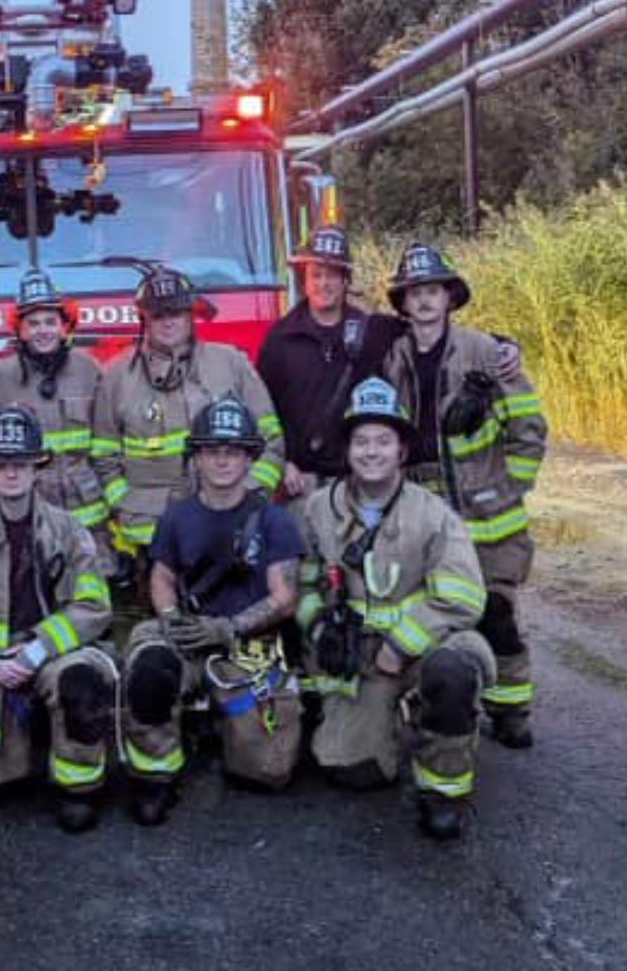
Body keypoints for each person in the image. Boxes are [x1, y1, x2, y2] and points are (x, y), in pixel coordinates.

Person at [297, 377, 493, 840]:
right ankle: (375, 719)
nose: (371, 452)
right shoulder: (317, 509)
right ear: (348, 450)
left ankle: (442, 791)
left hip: (424, 647)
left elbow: (463, 596)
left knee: (452, 673)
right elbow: (304, 583)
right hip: (358, 657)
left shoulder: (433, 513)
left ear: (402, 450)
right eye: (361, 441)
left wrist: (401, 644)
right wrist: (321, 629)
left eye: (383, 441)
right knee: (353, 770)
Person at [383, 243, 548, 748]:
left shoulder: (484, 352)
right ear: (403, 302)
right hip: (425, 505)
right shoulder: (393, 358)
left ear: (450, 297)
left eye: (433, 290)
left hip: (489, 512)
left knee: (497, 612)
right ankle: (442, 701)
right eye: (415, 292)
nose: (424, 300)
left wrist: (510, 486)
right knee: (436, 609)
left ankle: (511, 709)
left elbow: (528, 424)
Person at [0, 405, 119, 832]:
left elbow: (93, 604)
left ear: (37, 467)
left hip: (47, 653)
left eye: (21, 463)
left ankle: (78, 789)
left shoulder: (68, 528)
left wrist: (37, 650)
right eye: (1, 464)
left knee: (80, 682)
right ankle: (25, 747)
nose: (11, 473)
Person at [120, 396, 306, 825]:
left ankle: (224, 725)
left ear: (249, 458)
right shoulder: (176, 517)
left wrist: (227, 628)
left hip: (246, 646)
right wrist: (171, 619)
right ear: (197, 457)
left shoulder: (273, 520)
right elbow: (162, 577)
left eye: (233, 451)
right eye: (212, 451)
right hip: (189, 636)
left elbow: (285, 597)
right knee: (150, 670)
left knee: (269, 770)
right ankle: (156, 776)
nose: (222, 461)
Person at [258, 226, 521, 508]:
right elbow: (263, 411)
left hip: (357, 483)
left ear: (346, 280)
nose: (324, 284)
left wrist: (501, 345)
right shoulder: (280, 340)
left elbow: (431, 329)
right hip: (299, 484)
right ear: (304, 280)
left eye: (332, 275)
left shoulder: (373, 330)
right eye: (316, 275)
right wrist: (283, 462)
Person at [91, 266, 285, 589]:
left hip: (229, 530)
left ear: (191, 315)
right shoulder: (116, 377)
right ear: (144, 319)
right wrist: (126, 504)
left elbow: (272, 440)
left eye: (177, 313)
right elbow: (103, 457)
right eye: (158, 315)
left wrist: (246, 497)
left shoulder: (231, 364)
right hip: (148, 538)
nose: (168, 322)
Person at [0, 268, 110, 535]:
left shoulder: (89, 370)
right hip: (29, 512)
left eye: (50, 322)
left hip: (88, 514)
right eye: (33, 323)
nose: (43, 331)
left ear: (64, 328)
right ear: (20, 330)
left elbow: (108, 445)